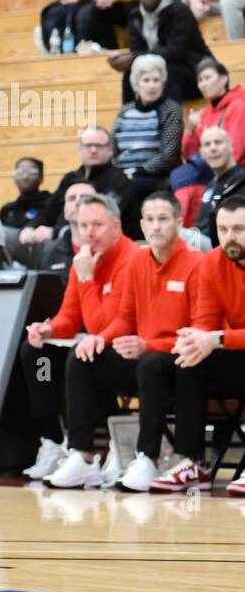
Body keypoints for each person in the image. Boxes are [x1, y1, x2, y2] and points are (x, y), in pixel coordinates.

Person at [51, 191, 203, 490]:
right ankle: (81, 454)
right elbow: (124, 318)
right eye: (150, 220)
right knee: (82, 358)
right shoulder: (138, 262)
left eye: (163, 219)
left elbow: (197, 331)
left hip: (179, 361)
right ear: (142, 224)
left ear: (179, 222)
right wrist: (101, 338)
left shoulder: (197, 264)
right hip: (142, 356)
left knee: (149, 363)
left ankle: (147, 457)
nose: (156, 227)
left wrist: (149, 345)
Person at [20, 193, 138, 480]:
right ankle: (51, 440)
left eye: (97, 225)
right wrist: (49, 329)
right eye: (83, 226)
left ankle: (82, 454)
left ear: (116, 226)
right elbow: (70, 317)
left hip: (127, 352)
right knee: (36, 353)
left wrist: (86, 278)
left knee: (82, 356)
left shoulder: (131, 258)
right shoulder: (83, 259)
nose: (89, 233)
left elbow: (106, 325)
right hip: (95, 348)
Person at [168, 195, 245, 495]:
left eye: (239, 228)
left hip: (233, 344)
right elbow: (206, 320)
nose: (230, 237)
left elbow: (218, 335)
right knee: (191, 359)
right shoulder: (212, 262)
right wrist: (195, 337)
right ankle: (193, 462)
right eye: (223, 229)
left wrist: (218, 339)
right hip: (237, 353)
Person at [110, 0, 213, 103]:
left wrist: (134, 58)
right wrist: (127, 59)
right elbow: (136, 50)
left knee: (167, 72)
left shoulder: (180, 12)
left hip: (196, 73)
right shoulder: (135, 15)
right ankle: (129, 118)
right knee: (131, 73)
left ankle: (171, 122)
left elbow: (174, 52)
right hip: (163, 71)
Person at [22, 126, 138, 243]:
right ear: (80, 149)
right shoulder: (71, 178)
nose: (93, 150)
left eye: (99, 146)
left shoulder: (120, 182)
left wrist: (55, 233)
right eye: (88, 145)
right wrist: (30, 227)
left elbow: (101, 222)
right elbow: (49, 209)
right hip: (59, 242)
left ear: (110, 150)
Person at [175, 58, 245, 216]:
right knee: (178, 176)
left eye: (207, 78)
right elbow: (189, 154)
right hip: (213, 169)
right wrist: (190, 130)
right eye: (200, 80)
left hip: (235, 171)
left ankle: (191, 233)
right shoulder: (206, 113)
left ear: (224, 79)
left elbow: (237, 152)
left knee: (181, 177)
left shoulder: (239, 106)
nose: (203, 84)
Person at [111, 54, 185, 199]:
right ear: (136, 84)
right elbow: (111, 149)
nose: (152, 85)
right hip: (123, 174)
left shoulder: (170, 109)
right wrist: (117, 172)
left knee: (125, 191)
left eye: (156, 80)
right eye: (146, 80)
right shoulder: (125, 111)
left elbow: (168, 155)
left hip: (154, 177)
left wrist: (137, 172)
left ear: (163, 84)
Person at [30, 181, 98, 280]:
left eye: (85, 198)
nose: (77, 202)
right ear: (65, 211)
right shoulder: (48, 253)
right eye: (71, 199)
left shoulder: (111, 250)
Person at [193, 127, 245, 243]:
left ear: (231, 146)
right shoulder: (210, 186)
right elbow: (199, 227)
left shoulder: (241, 181)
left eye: (218, 142)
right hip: (201, 248)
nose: (213, 148)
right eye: (207, 144)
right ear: (202, 153)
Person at [0, 157, 53, 233]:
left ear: (41, 178)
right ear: (15, 178)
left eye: (32, 173)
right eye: (20, 173)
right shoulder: (7, 209)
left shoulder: (51, 205)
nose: (25, 177)